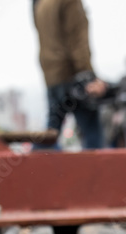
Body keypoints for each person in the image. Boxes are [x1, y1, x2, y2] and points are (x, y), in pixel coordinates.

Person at [33, 0, 107, 150]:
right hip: (73, 75)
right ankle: (93, 173)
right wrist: (88, 76)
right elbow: (77, 41)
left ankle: (39, 170)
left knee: (51, 134)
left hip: (52, 76)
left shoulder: (40, 4)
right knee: (93, 136)